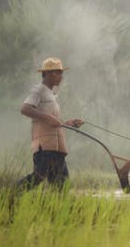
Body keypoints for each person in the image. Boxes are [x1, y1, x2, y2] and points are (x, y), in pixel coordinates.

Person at [18, 57, 83, 188]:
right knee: (38, 177)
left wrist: (68, 123)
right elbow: (25, 109)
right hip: (45, 147)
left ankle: (59, 207)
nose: (61, 76)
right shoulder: (39, 90)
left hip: (57, 148)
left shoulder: (52, 94)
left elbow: (53, 121)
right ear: (46, 74)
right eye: (57, 72)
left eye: (61, 73)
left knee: (62, 185)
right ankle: (10, 193)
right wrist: (47, 118)